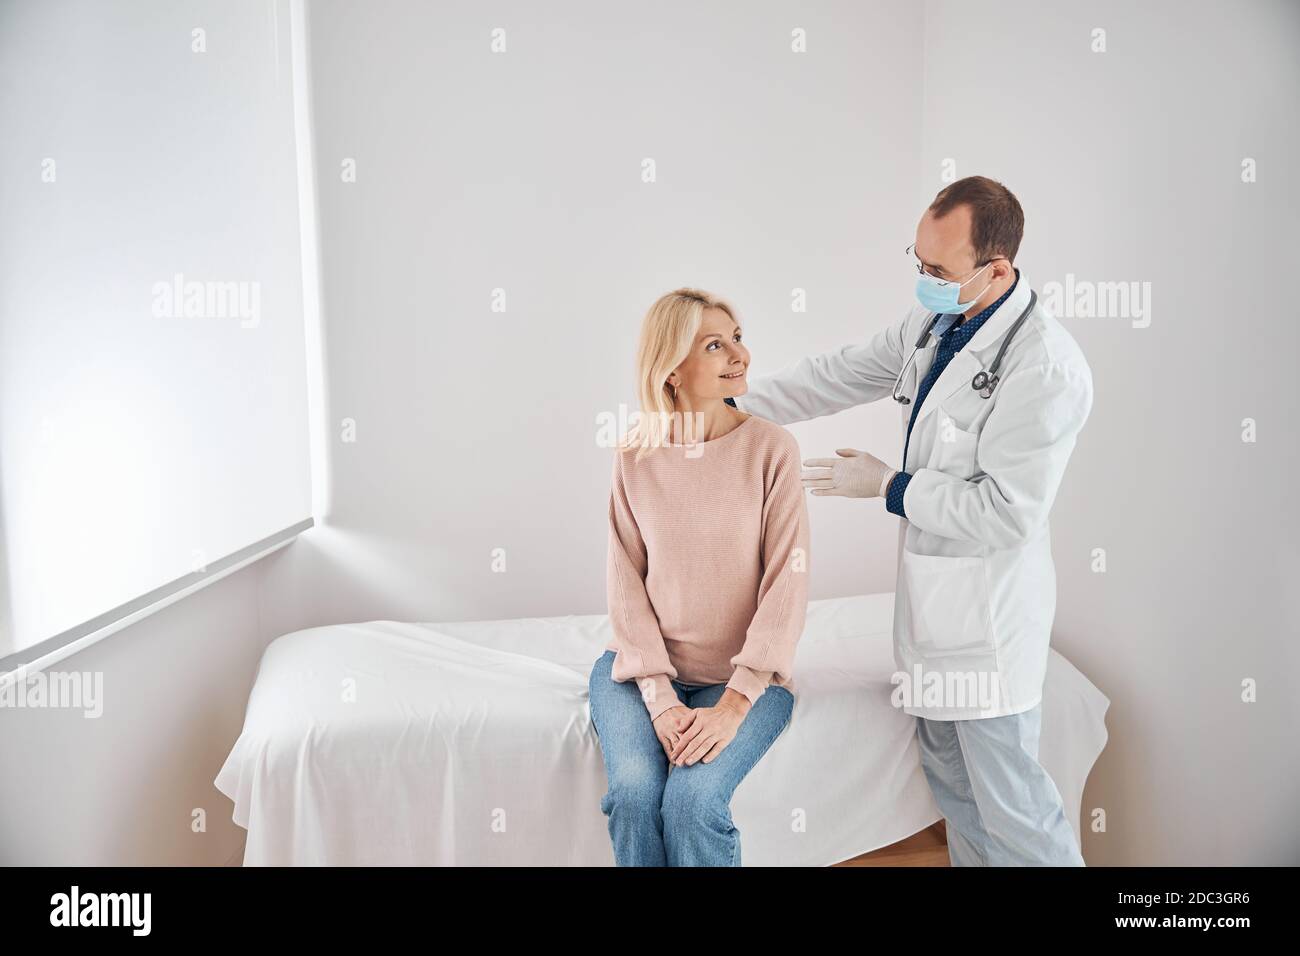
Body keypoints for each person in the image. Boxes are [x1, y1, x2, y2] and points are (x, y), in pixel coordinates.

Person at [729, 176, 1093, 866]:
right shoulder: (937, 322)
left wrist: (890, 486)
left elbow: (1005, 512)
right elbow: (838, 373)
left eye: (937, 270)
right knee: (961, 807)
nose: (922, 280)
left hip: (987, 636)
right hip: (931, 626)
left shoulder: (1044, 367)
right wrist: (736, 407)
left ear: (997, 270)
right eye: (917, 261)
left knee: (1020, 823)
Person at [588, 287, 811, 866]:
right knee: (636, 797)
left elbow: (787, 582)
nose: (740, 355)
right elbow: (624, 583)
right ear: (671, 370)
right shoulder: (635, 456)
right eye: (715, 345)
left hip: (741, 682)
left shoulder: (771, 449)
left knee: (691, 805)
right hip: (636, 677)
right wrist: (660, 701)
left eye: (737, 337)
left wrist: (735, 704)